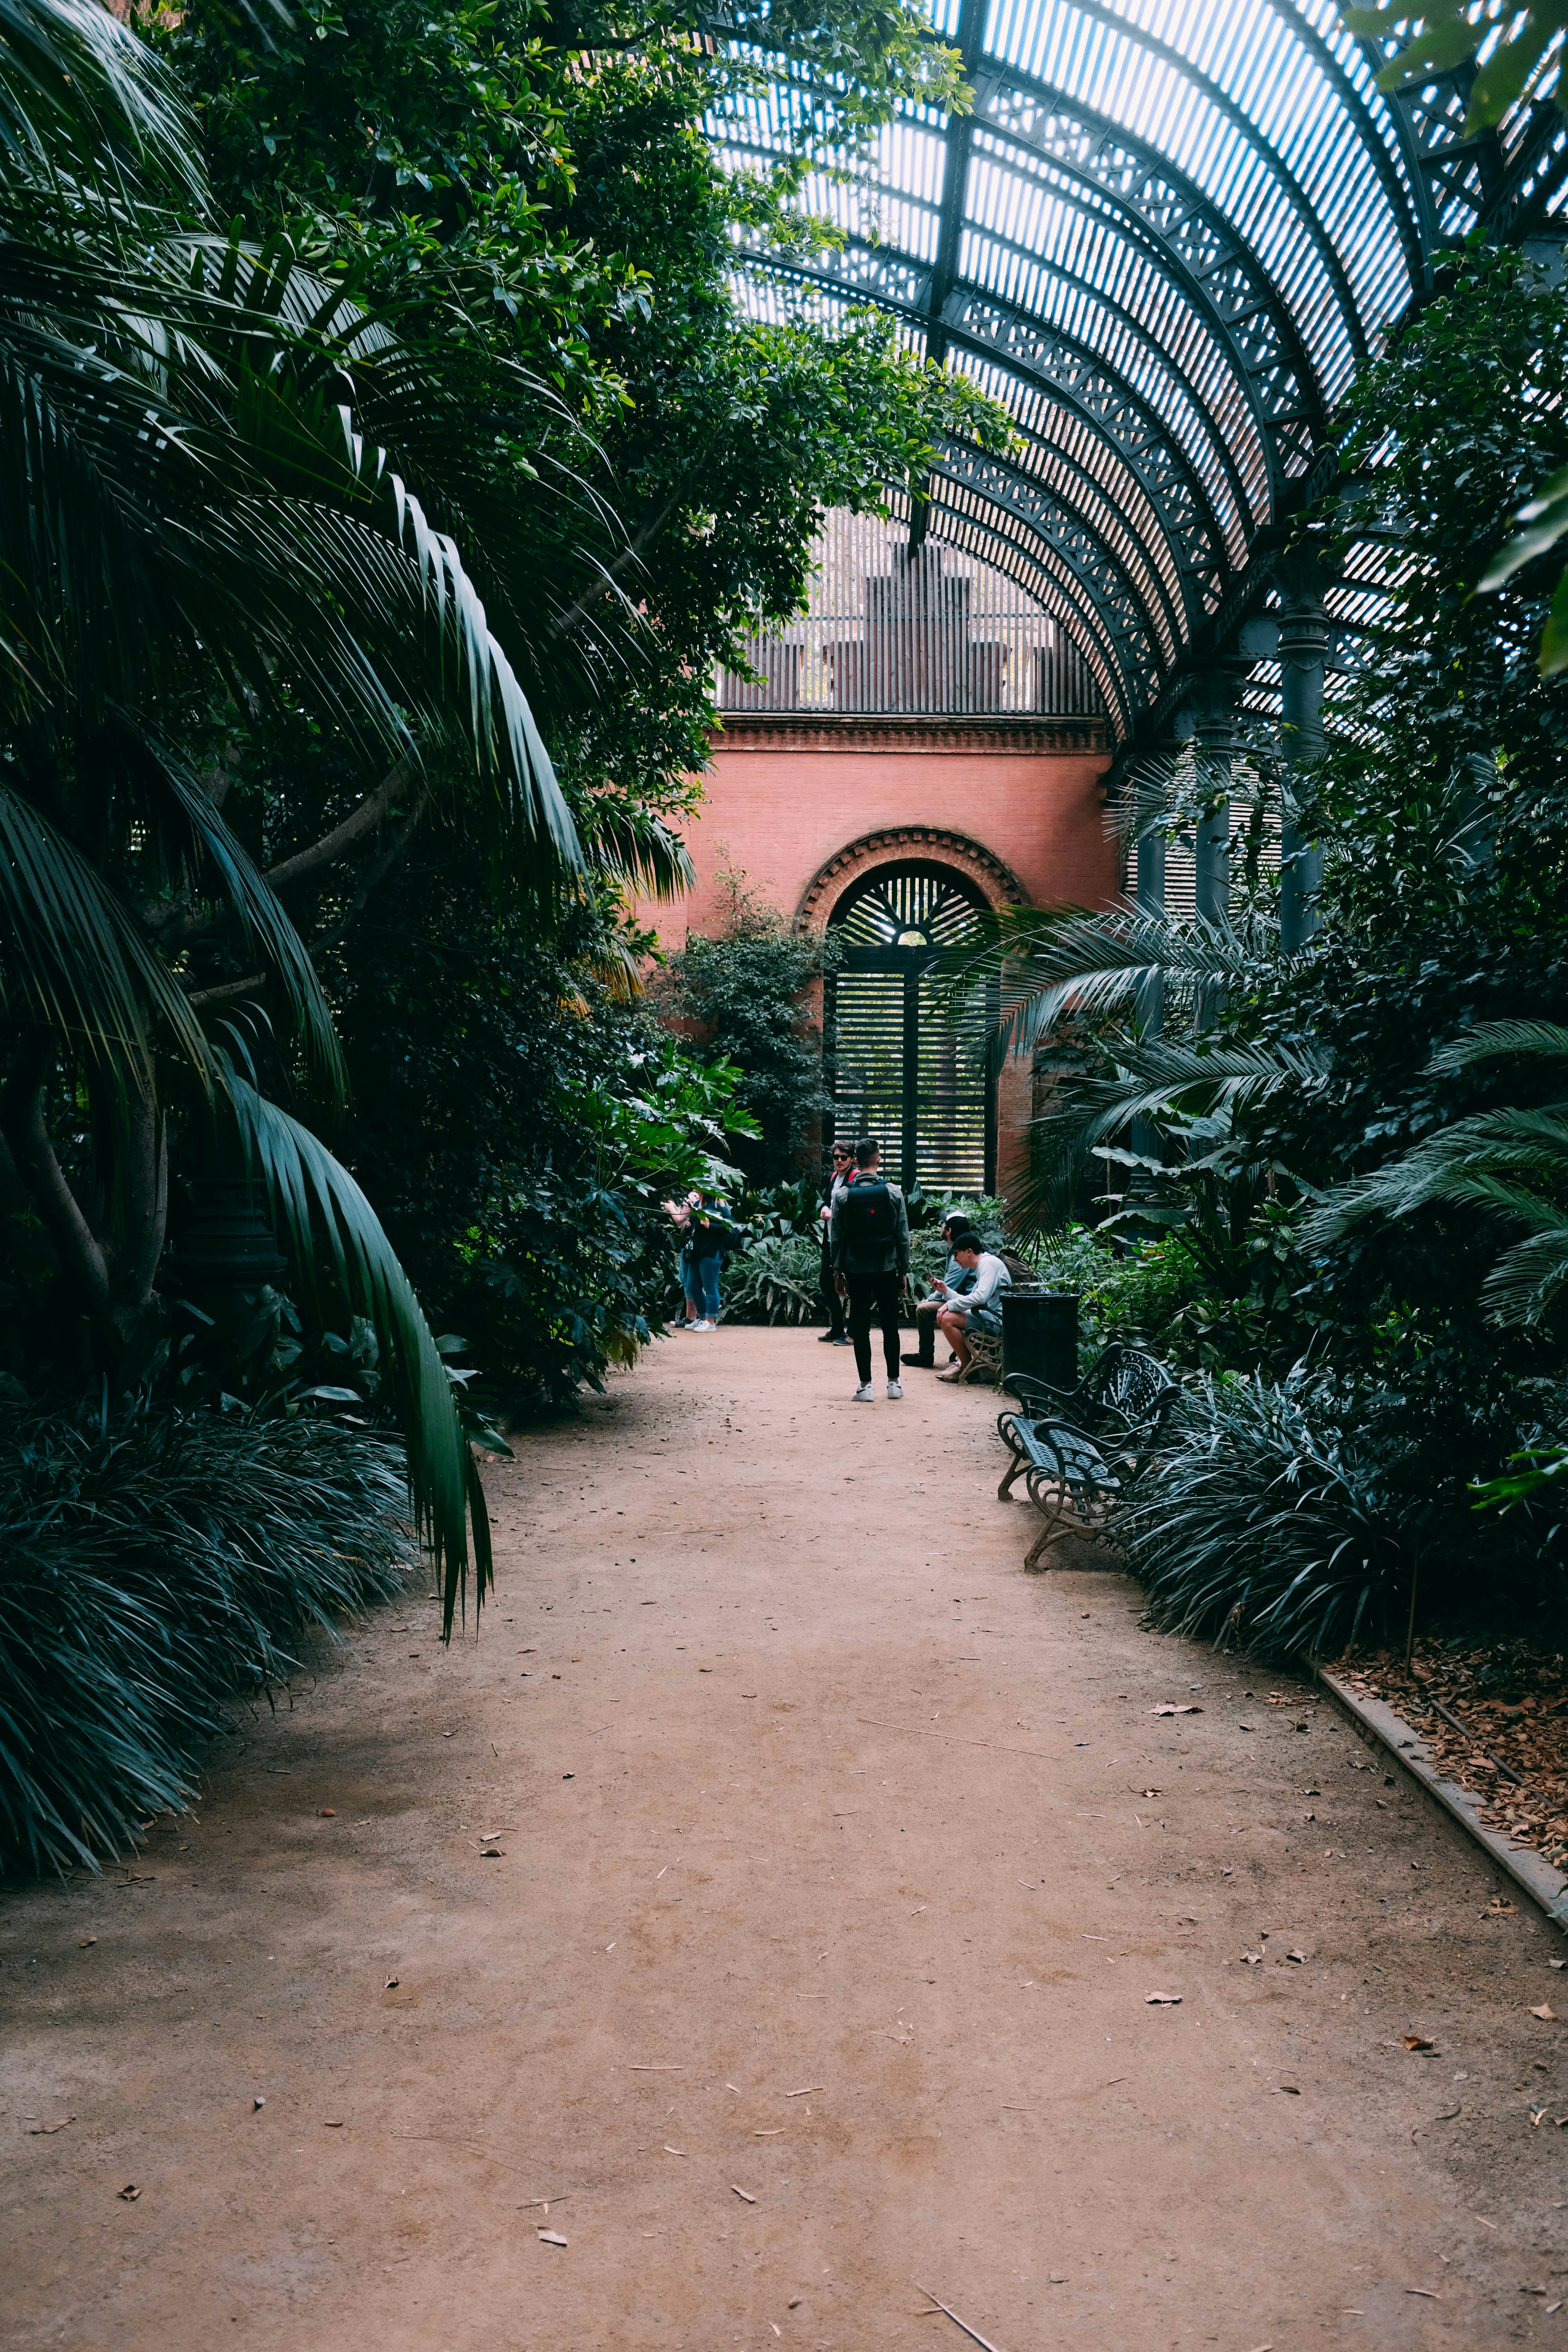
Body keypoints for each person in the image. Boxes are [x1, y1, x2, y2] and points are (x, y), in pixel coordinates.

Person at [829, 1134, 910, 1401]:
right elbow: (902, 1236)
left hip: (856, 1270)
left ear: (856, 1161)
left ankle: (866, 1386)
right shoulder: (893, 1192)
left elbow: (837, 1238)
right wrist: (904, 1270)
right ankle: (894, 1384)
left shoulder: (843, 1195)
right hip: (887, 1268)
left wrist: (837, 1272)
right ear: (878, 1160)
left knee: (860, 1327)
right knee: (890, 1326)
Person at [903, 1212, 980, 1369]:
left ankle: (925, 1356)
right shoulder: (960, 1249)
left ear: (949, 1231)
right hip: (963, 1298)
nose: (942, 1227)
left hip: (968, 1302)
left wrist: (929, 1300)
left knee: (923, 1310)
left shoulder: (961, 1254)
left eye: (944, 1224)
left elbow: (950, 1286)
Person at [935, 1234, 1012, 1382]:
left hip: (998, 1321)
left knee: (947, 1318)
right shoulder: (984, 1264)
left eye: (956, 1254)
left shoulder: (987, 1264)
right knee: (949, 1314)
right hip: (991, 1316)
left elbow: (980, 1298)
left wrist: (948, 1305)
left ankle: (967, 1368)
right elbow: (974, 1299)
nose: (955, 1259)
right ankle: (965, 1365)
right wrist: (946, 1291)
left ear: (969, 1252)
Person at [664, 1189, 728, 1331]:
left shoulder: (717, 1206)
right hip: (696, 1253)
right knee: (693, 1286)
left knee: (710, 1287)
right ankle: (702, 1318)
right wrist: (689, 1226)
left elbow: (729, 1226)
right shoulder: (697, 1204)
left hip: (711, 1252)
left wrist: (710, 1226)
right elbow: (696, 1227)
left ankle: (710, 1321)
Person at [816, 1143, 853, 1344]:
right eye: (836, 1157)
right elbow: (826, 1200)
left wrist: (834, 1214)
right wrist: (824, 1208)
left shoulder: (855, 1178)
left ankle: (853, 1332)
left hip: (848, 1242)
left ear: (852, 1159)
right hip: (830, 1240)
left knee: (853, 1286)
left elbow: (855, 1210)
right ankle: (838, 1328)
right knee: (826, 1282)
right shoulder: (833, 1178)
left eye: (844, 1157)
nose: (839, 1160)